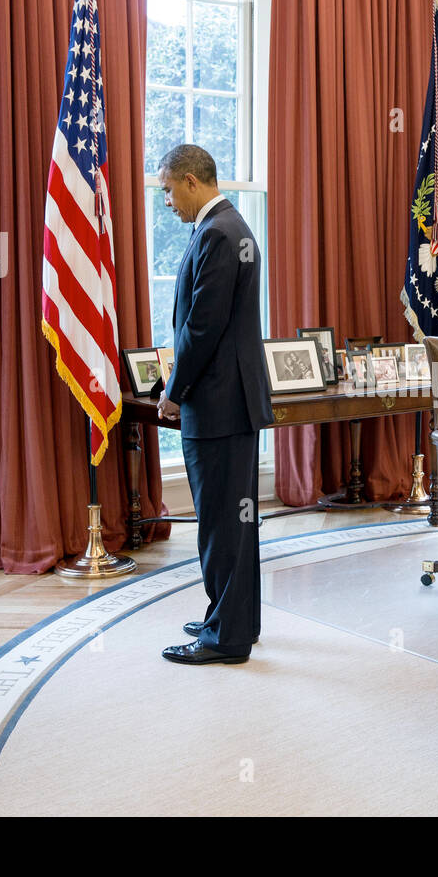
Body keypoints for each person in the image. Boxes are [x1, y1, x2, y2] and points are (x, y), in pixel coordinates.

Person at [155, 144, 272, 665]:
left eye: (167, 191)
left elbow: (202, 329)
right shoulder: (228, 227)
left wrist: (174, 391)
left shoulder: (220, 234)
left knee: (222, 525)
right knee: (234, 522)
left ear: (190, 180)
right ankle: (232, 619)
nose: (167, 202)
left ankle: (225, 639)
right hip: (231, 405)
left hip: (220, 406)